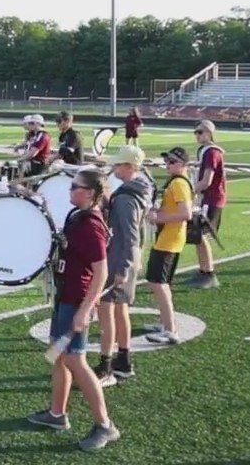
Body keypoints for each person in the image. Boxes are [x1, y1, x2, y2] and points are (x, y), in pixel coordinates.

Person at [27, 169, 119, 451]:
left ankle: (105, 425)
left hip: (76, 299)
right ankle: (57, 414)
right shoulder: (76, 216)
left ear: (90, 193)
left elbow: (101, 272)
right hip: (65, 295)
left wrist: (85, 309)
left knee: (76, 360)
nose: (70, 191)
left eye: (74, 187)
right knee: (60, 357)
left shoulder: (90, 224)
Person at [94, 145, 152, 386]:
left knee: (106, 312)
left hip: (119, 258)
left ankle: (106, 366)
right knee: (120, 310)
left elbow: (130, 236)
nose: (114, 168)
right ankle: (124, 360)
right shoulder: (137, 190)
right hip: (126, 257)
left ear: (130, 167)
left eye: (118, 165)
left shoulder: (127, 198)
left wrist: (122, 268)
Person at [143, 147, 194, 343]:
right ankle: (165, 323)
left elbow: (186, 214)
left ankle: (170, 329)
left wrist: (158, 217)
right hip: (169, 237)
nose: (168, 165)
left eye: (172, 162)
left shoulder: (179, 183)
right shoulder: (177, 182)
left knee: (158, 282)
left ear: (182, 164)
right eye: (167, 161)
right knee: (159, 282)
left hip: (169, 239)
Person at [187, 120, 226, 289]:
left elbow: (207, 181)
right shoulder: (205, 151)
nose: (197, 135)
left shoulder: (211, 153)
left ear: (209, 133)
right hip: (208, 198)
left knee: (201, 235)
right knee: (198, 236)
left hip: (211, 198)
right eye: (196, 132)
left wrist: (189, 192)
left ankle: (209, 272)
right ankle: (203, 271)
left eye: (200, 132)